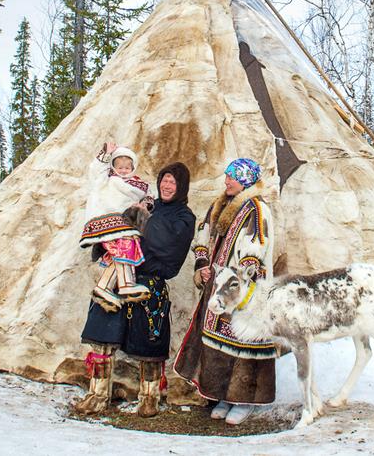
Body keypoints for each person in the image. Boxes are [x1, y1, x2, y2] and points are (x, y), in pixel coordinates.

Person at [75, 162, 197, 418]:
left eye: (173, 182)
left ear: (181, 186)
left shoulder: (184, 217)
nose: (167, 185)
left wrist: (142, 221)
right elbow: (117, 230)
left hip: (150, 282)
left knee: (149, 343)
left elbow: (169, 248)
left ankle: (150, 397)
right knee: (102, 334)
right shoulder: (147, 203)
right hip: (118, 277)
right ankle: (97, 394)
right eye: (164, 180)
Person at [174, 158, 275, 426]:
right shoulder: (220, 205)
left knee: (242, 340)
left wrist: (240, 279)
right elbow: (203, 236)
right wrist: (202, 265)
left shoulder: (257, 209)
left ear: (245, 180)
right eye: (227, 176)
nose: (226, 181)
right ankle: (223, 395)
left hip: (242, 290)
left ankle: (244, 399)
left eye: (232, 177)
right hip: (218, 286)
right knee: (218, 340)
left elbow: (255, 246)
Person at [80, 141, 152, 311]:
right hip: (109, 221)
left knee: (118, 254)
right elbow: (95, 171)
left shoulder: (138, 184)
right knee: (127, 243)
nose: (123, 171)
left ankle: (103, 287)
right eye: (119, 167)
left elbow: (149, 196)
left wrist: (145, 206)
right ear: (113, 166)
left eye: (127, 167)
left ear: (133, 167)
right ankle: (126, 283)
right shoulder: (107, 179)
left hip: (125, 222)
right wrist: (106, 154)